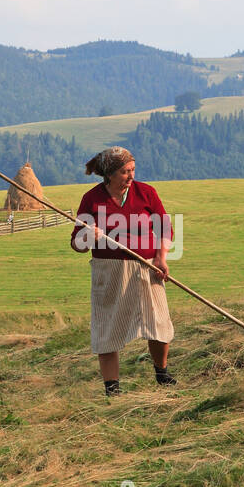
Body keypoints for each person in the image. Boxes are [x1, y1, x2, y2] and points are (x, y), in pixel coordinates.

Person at [69, 146, 176, 396]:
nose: (131, 176)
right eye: (124, 172)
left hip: (147, 267)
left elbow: (165, 228)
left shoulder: (146, 193)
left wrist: (161, 258)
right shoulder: (92, 199)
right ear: (109, 174)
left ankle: (162, 373)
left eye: (133, 170)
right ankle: (112, 389)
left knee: (158, 322)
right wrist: (87, 236)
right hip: (109, 272)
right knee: (108, 328)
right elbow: (76, 244)